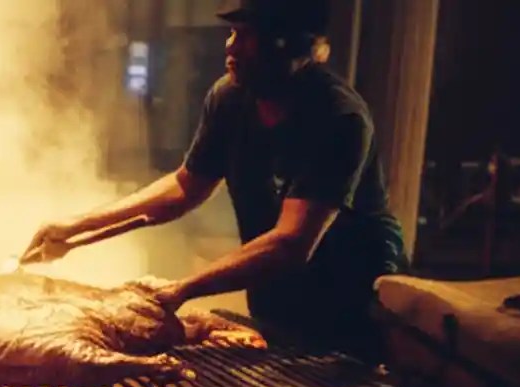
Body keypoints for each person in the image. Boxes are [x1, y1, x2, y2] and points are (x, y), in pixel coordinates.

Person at [21, 0, 408, 360]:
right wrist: (74, 228)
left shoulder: (338, 118)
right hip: (275, 294)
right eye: (233, 33)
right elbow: (185, 187)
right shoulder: (230, 97)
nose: (230, 47)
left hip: (348, 301)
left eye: (246, 36)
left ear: (287, 45)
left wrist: (182, 289)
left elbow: (292, 243)